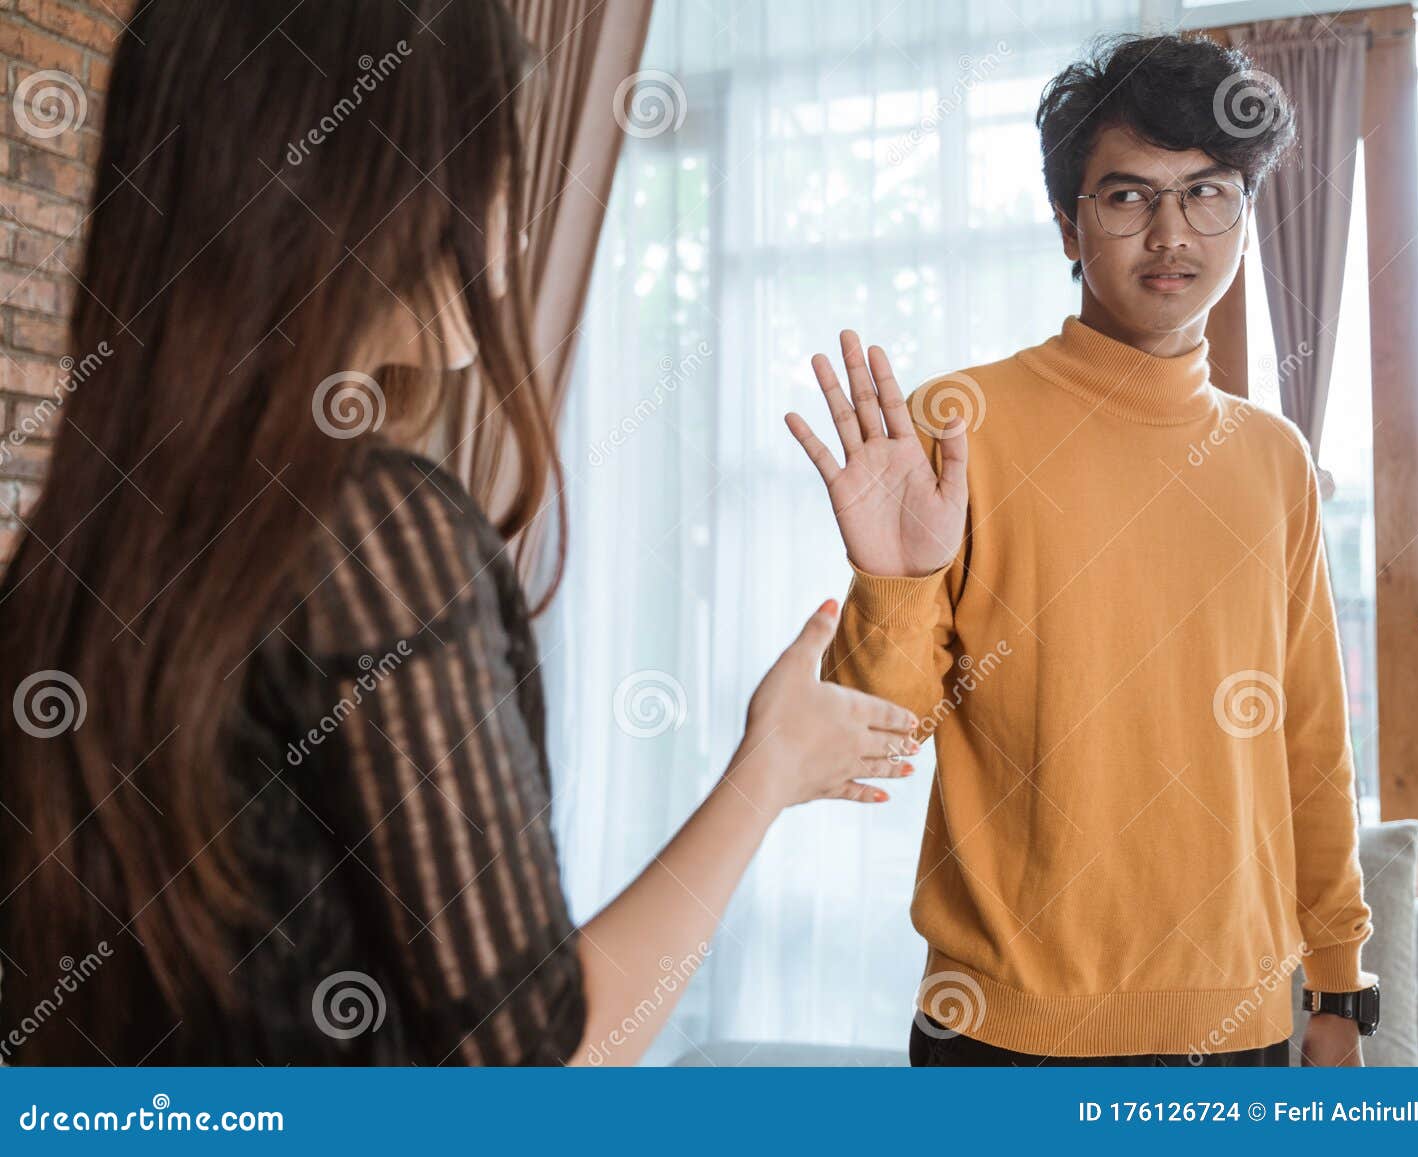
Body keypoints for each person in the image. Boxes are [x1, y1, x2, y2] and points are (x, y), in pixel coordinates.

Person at [0, 0, 919, 1066]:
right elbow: (530, 1073)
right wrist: (768, 768)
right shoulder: (369, 533)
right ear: (362, 187)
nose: (512, 231)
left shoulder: (71, 556)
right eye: (488, 170)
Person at [786, 32, 1378, 1067]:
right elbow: (878, 733)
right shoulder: (960, 423)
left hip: (1241, 1023)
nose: (1169, 232)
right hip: (999, 1031)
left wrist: (1339, 980)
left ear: (1243, 214)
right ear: (1067, 223)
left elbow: (1311, 741)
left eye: (1207, 193)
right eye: (1125, 196)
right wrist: (895, 578)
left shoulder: (1272, 458)